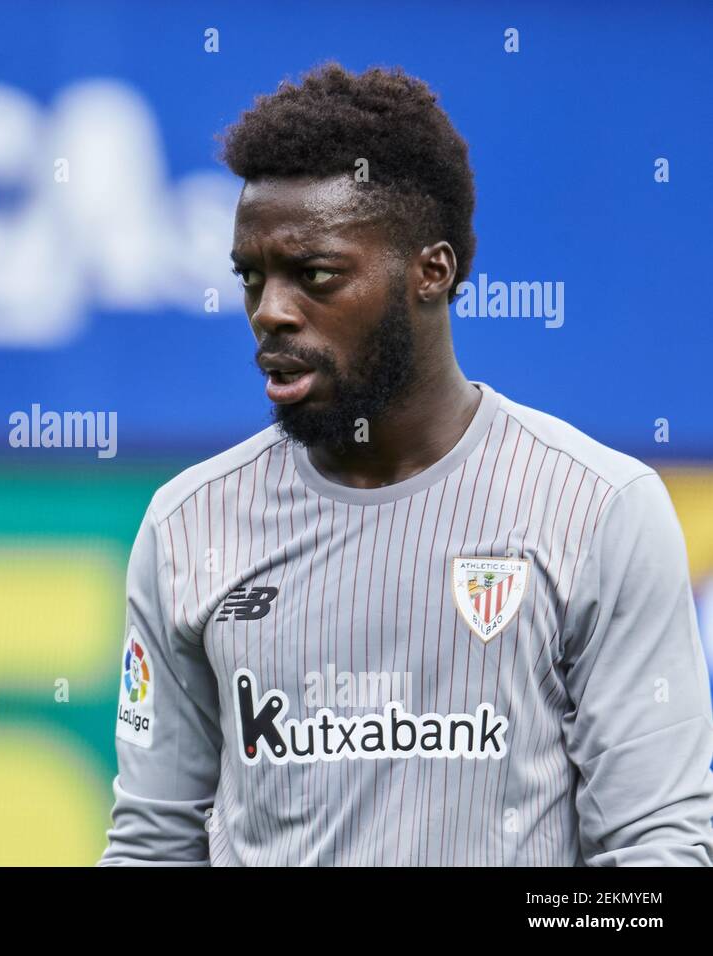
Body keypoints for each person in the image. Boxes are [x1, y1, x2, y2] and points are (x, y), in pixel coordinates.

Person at [99, 63, 713, 866]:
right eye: (251, 278)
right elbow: (153, 844)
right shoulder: (188, 525)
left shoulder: (599, 507)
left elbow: (656, 852)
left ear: (433, 270)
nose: (270, 311)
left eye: (314, 274)